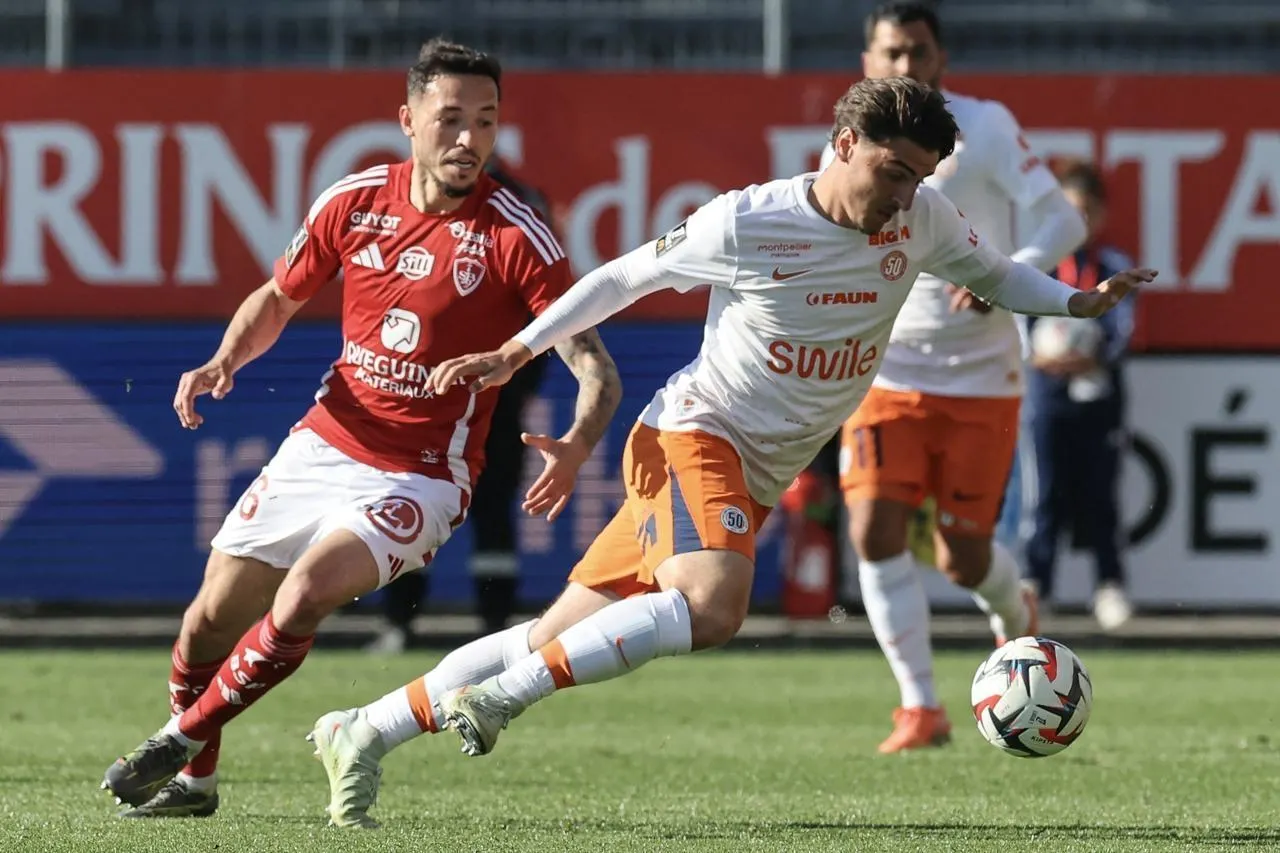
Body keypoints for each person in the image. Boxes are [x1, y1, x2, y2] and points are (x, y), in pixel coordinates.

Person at [306, 75, 1153, 829]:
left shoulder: (920, 219)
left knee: (553, 635)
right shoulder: (751, 220)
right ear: (844, 143)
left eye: (919, 179)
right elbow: (621, 278)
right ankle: (502, 701)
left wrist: (1076, 304)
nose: (903, 196)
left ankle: (364, 728)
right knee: (713, 604)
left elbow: (996, 273)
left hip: (755, 469)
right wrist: (517, 349)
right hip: (692, 434)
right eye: (893, 171)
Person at [99, 37, 622, 819]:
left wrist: (578, 444)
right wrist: (224, 358)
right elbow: (279, 296)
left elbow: (597, 366)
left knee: (305, 591)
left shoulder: (517, 234)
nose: (469, 139)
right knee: (206, 622)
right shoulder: (355, 200)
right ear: (407, 120)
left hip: (423, 474)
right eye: (450, 119)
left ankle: (178, 736)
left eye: (486, 121)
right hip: (324, 442)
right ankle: (195, 783)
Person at [820, 1, 1088, 754]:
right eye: (891, 52)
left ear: (940, 58)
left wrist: (1008, 274)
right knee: (872, 528)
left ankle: (1017, 614)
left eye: (918, 51)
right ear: (868, 61)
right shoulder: (846, 142)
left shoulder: (985, 127)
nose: (905, 65)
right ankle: (920, 706)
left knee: (962, 555)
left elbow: (1063, 221)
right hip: (883, 367)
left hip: (981, 372)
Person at [366, 156, 556, 652]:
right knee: (413, 510)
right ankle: (408, 623)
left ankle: (481, 629)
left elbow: (549, 324)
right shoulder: (419, 202)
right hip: (435, 405)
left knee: (476, 513)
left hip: (488, 405)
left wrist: (512, 389)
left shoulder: (514, 214)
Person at [1024, 159, 1138, 631]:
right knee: (1044, 494)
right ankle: (1037, 588)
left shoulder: (1112, 267)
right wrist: (1039, 356)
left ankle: (1109, 586)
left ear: (1102, 214)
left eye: (1088, 211)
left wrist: (1092, 355)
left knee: (1101, 494)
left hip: (1099, 394)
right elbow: (1019, 324)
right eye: (1071, 211)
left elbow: (1123, 330)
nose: (1080, 221)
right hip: (1046, 396)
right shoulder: (1040, 265)